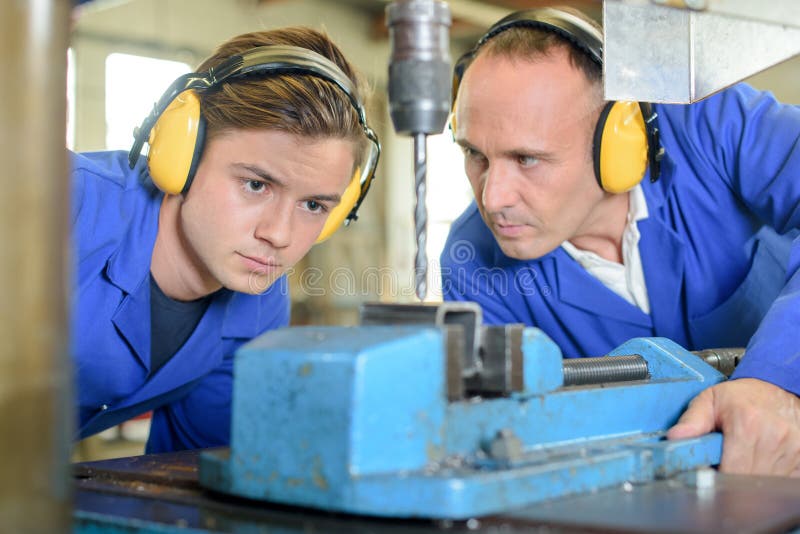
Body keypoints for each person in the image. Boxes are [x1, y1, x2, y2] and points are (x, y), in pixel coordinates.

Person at [441, 6, 800, 476]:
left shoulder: (708, 124)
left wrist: (776, 379)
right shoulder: (472, 264)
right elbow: (500, 441)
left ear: (618, 144)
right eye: (474, 153)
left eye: (527, 158)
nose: (493, 198)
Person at [70, 27, 380, 453]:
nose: (279, 235)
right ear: (181, 156)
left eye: (313, 205)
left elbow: (192, 467)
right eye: (256, 185)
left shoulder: (259, 303)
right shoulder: (57, 207)